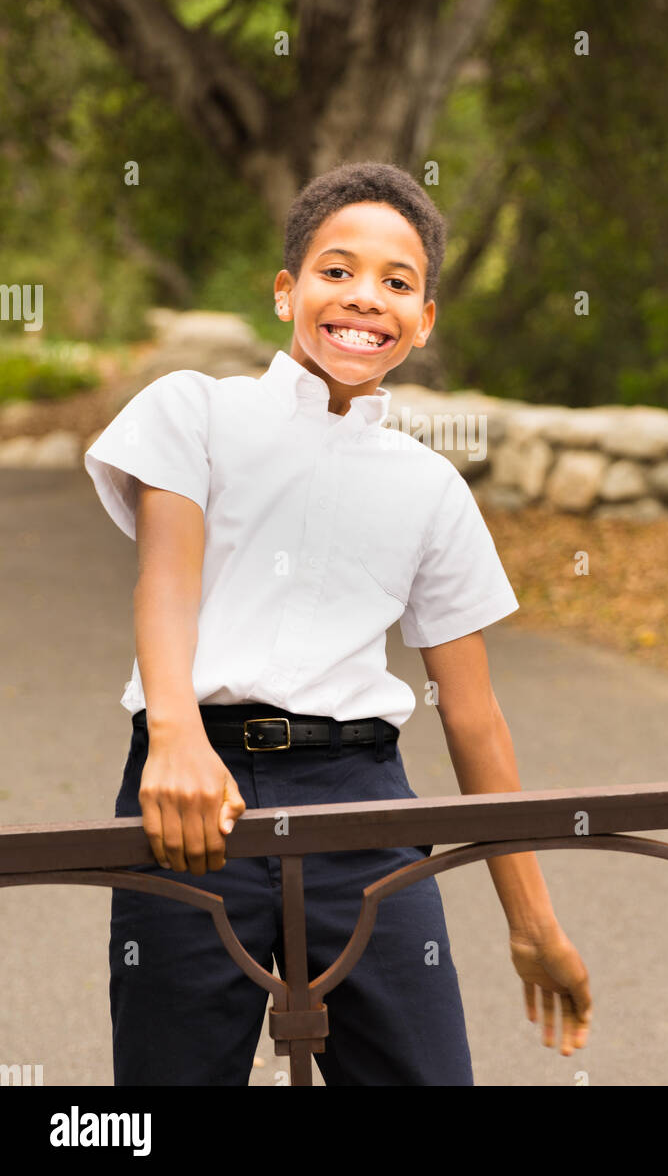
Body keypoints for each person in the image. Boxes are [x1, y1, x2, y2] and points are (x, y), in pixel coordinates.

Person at [84, 160, 592, 1087]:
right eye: (336, 270)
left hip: (363, 806)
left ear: (425, 318)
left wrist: (533, 921)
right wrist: (176, 737)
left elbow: (473, 716)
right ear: (287, 291)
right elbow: (167, 583)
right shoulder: (193, 411)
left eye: (398, 284)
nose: (366, 298)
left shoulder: (431, 488)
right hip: (194, 796)